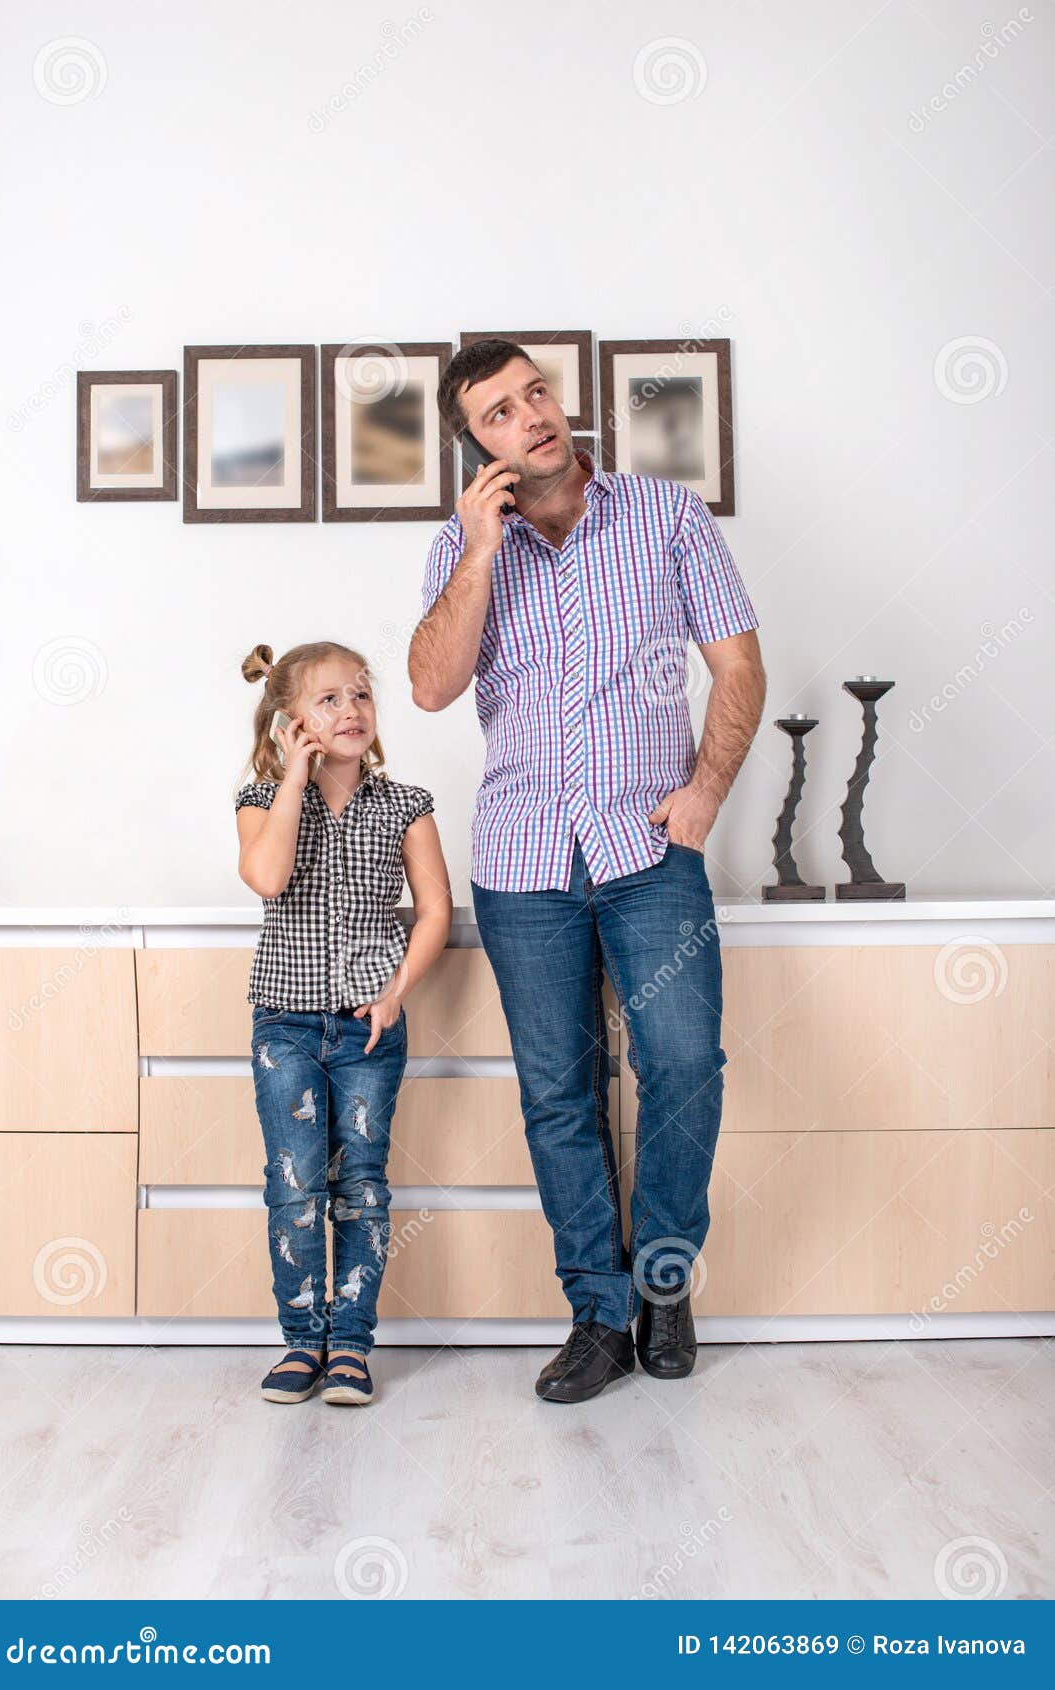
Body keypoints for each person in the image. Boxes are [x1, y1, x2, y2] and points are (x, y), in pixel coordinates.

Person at [409, 340, 766, 1403]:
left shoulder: (667, 517)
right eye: (499, 412)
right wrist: (479, 550)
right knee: (557, 1093)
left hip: (650, 849)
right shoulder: (456, 547)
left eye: (536, 394)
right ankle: (597, 1316)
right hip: (522, 861)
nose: (530, 417)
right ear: (476, 443)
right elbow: (430, 688)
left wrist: (704, 792)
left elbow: (739, 663)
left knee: (683, 1063)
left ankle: (662, 1280)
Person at [235, 640, 451, 1405]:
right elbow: (268, 877)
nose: (351, 709)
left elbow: (434, 912)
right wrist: (293, 775)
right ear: (291, 719)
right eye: (329, 699)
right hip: (285, 1026)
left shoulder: (405, 805)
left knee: (360, 1185)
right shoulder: (262, 801)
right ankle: (302, 1344)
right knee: (296, 1187)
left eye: (360, 694)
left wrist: (394, 993)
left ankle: (352, 1347)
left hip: (367, 1030)